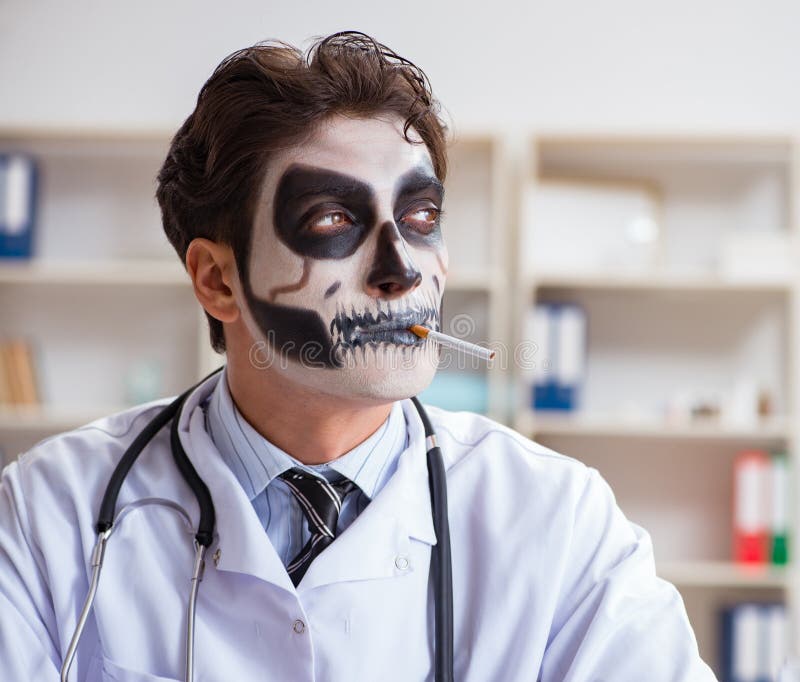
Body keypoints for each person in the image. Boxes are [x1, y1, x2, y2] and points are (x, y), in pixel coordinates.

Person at [0, 31, 716, 681]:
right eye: (333, 219)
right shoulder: (48, 516)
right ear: (218, 279)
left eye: (420, 218)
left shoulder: (560, 522)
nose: (401, 269)